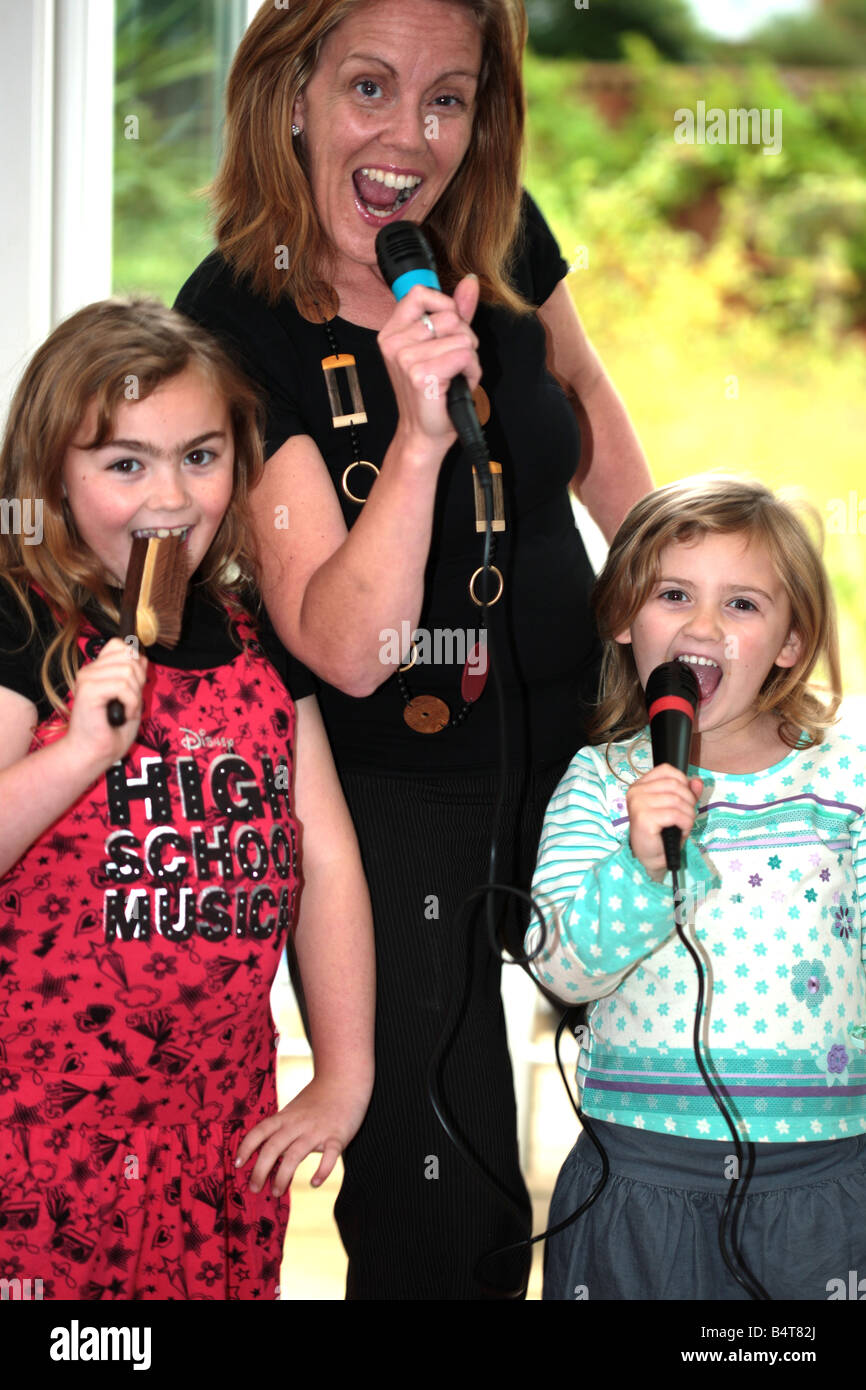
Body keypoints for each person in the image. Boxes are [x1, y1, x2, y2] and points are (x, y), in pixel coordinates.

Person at [174, 0, 652, 1299]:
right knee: (446, 1190)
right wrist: (418, 427)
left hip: (575, 740)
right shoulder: (234, 312)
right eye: (371, 87)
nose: (411, 137)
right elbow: (344, 641)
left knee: (679, 1083)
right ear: (292, 93)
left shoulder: (490, 233)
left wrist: (679, 614)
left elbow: (590, 415)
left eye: (448, 98)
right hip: (392, 799)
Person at [0, 298, 375, 1300]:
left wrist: (343, 1074)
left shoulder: (253, 635)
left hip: (218, 1136)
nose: (170, 496)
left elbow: (325, 857)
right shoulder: (23, 623)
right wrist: (76, 752)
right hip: (41, 1139)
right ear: (50, 476)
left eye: (200, 457)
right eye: (125, 464)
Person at [528, 474, 866, 1300]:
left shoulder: (844, 780)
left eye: (743, 605)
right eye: (674, 594)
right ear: (622, 619)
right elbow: (561, 967)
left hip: (820, 1183)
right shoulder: (601, 784)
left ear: (790, 643)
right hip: (640, 1177)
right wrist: (641, 871)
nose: (703, 626)